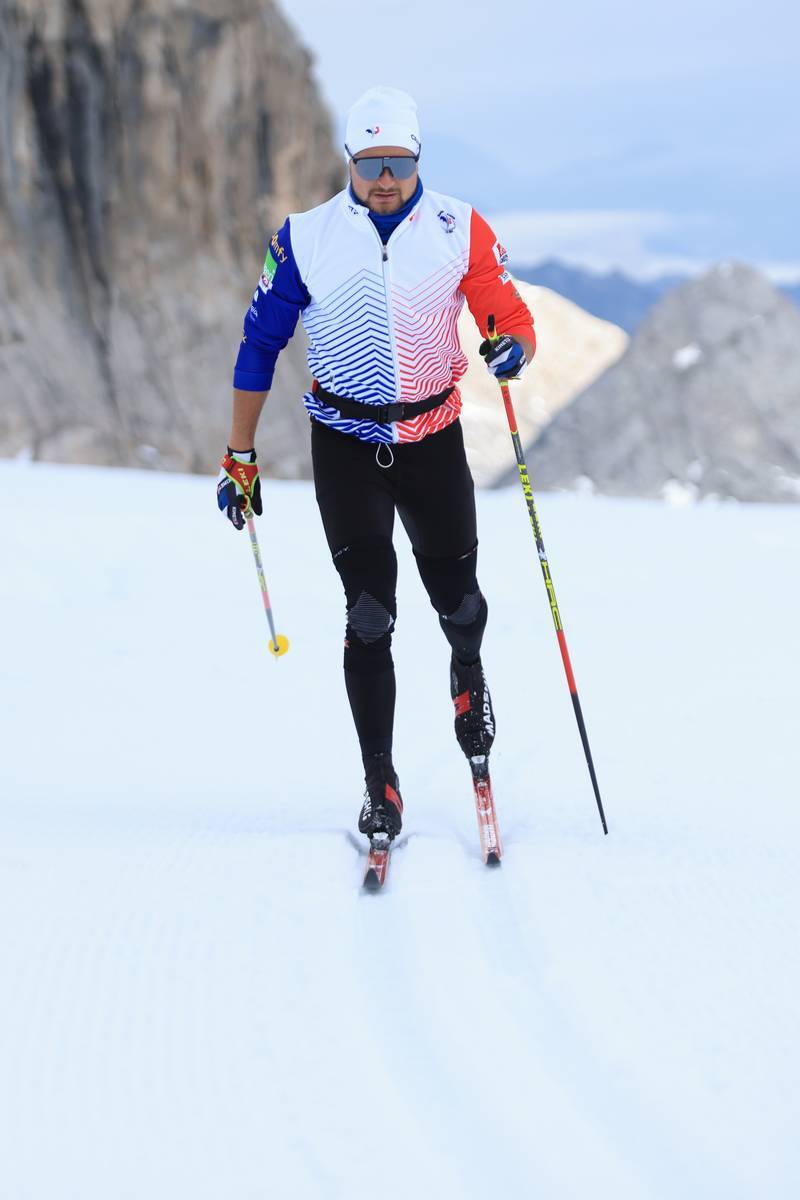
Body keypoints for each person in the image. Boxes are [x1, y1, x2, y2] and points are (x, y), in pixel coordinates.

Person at [217, 86, 535, 844]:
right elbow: (260, 344)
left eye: (397, 162)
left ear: (417, 158)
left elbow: (505, 311)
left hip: (432, 439)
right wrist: (239, 453)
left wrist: (512, 346)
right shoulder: (305, 237)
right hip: (346, 442)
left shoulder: (459, 227)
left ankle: (467, 674)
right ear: (349, 161)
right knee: (369, 616)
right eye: (369, 164)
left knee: (459, 603)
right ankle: (379, 782)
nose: (384, 178)